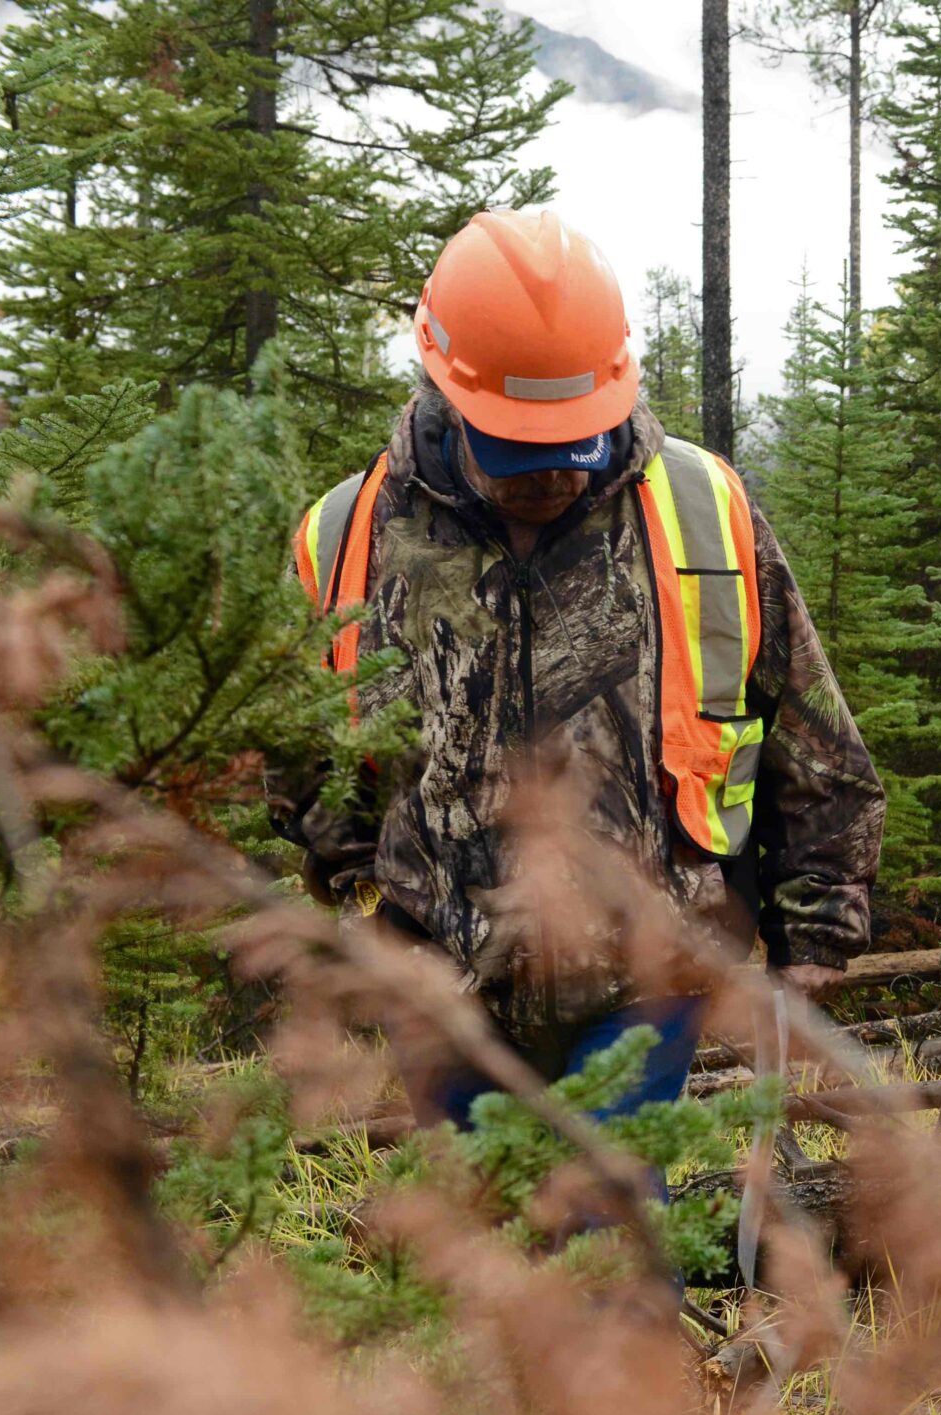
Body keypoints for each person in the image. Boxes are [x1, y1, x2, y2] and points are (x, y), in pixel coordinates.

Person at [274, 209, 884, 1128]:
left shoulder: (701, 509)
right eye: (518, 451)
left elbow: (813, 732)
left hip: (652, 971)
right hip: (437, 979)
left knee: (607, 1217)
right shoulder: (348, 535)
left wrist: (820, 921)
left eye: (573, 444)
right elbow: (295, 743)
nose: (551, 474)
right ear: (447, 389)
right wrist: (372, 894)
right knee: (483, 1235)